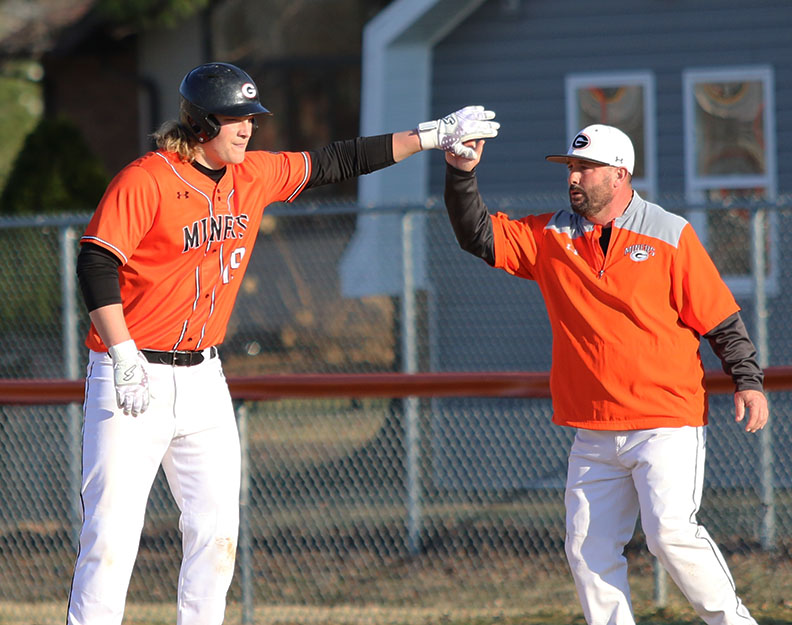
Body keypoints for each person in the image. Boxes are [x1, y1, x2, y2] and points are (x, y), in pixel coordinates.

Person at [70, 61, 499, 625]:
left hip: (203, 376)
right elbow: (96, 261)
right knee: (111, 531)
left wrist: (430, 135)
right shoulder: (146, 178)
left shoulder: (253, 175)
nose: (248, 128)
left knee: (217, 528)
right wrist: (122, 354)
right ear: (200, 124)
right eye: (235, 118)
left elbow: (338, 160)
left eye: (252, 117)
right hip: (131, 373)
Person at [442, 124, 769, 625]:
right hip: (593, 428)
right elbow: (478, 235)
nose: (574, 177)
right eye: (571, 167)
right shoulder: (549, 235)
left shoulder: (668, 232)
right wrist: (461, 173)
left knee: (669, 534)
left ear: (620, 174)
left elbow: (719, 317)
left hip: (665, 420)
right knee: (588, 551)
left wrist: (748, 379)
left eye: (585, 167)